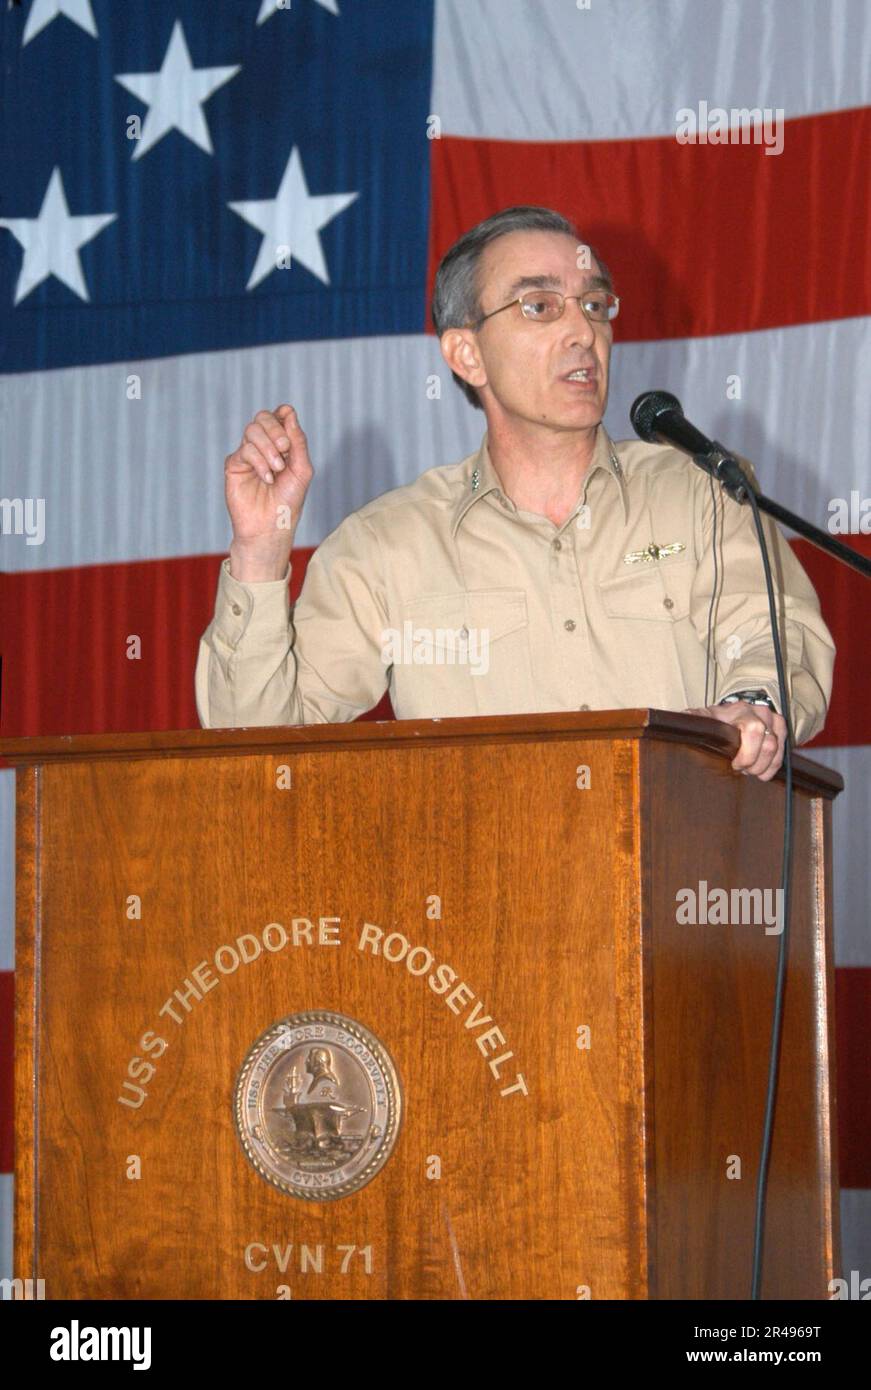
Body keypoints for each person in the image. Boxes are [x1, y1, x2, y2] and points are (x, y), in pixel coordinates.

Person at [195, 206, 835, 782]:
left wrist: (755, 707)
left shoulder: (702, 493)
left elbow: (772, 635)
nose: (582, 331)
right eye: (540, 307)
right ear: (466, 354)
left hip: (680, 887)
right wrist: (258, 551)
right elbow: (253, 749)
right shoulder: (386, 546)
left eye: (594, 304)